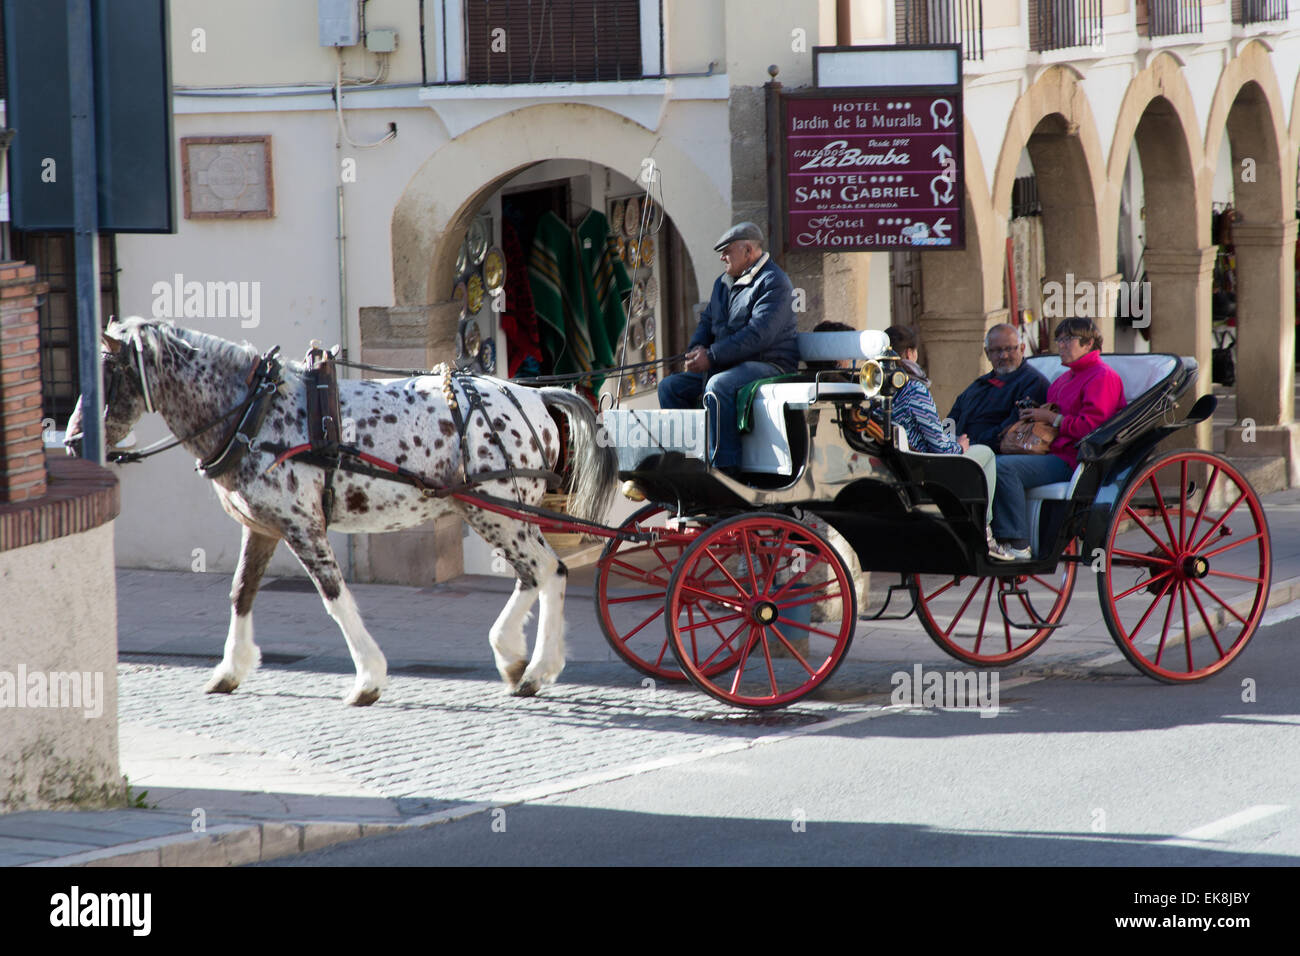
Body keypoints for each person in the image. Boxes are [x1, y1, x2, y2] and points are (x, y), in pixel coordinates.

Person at [658, 222, 798, 472]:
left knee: (718, 385)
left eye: (727, 251)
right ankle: (687, 461)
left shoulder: (774, 282)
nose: (722, 257)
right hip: (726, 364)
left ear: (747, 251)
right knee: (670, 387)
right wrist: (696, 350)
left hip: (769, 365)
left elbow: (758, 335)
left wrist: (711, 357)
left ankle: (725, 468)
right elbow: (707, 322)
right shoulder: (722, 284)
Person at [989, 316, 1126, 561]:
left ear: (1088, 343)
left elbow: (1094, 428)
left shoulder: (1102, 376)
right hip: (1052, 452)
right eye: (1059, 340)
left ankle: (1017, 542)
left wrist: (1052, 419)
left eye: (1068, 340)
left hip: (1076, 459)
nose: (1061, 346)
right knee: (991, 461)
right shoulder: (1063, 379)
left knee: (1003, 468)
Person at [886, 325, 998, 529]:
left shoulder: (878, 384)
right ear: (911, 353)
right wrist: (959, 446)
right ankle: (986, 528)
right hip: (923, 466)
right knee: (987, 453)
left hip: (897, 462)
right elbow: (941, 448)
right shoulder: (912, 388)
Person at [947, 323, 1049, 449]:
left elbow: (1012, 427)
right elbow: (952, 418)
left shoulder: (1033, 382)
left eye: (1009, 349)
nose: (1004, 356)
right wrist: (945, 442)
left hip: (991, 451)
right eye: (996, 350)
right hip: (958, 449)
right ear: (987, 353)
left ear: (1022, 349)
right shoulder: (979, 384)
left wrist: (972, 444)